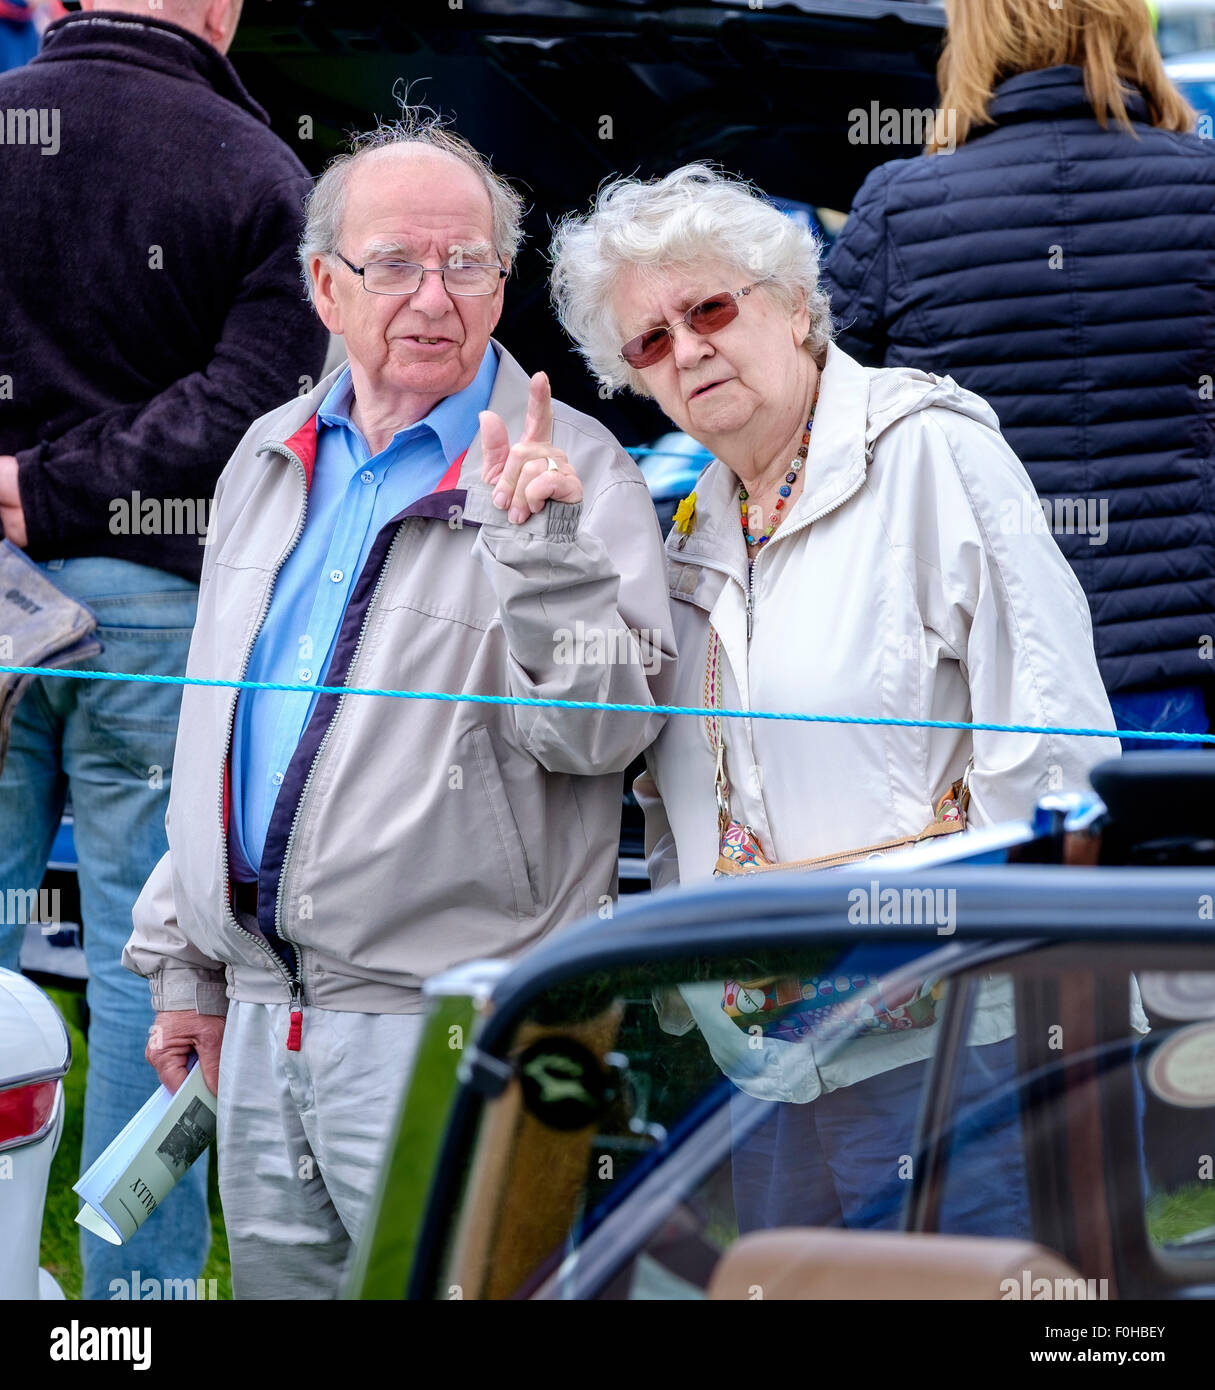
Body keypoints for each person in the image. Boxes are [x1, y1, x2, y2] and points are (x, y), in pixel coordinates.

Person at [122, 115, 675, 1299]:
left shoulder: (577, 470)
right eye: (396, 263)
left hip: (453, 1030)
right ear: (325, 286)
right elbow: (222, 729)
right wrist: (187, 964)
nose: (435, 295)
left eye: (467, 261)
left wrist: (550, 548)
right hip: (267, 1024)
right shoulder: (268, 453)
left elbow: (600, 735)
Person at [549, 161, 1121, 1234]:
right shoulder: (693, 531)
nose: (688, 348)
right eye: (651, 340)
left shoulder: (931, 454)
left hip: (944, 1047)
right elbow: (679, 793)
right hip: (763, 1065)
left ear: (797, 303)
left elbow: (1052, 755)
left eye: (710, 306)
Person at [0, 0, 328, 1298]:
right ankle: (140, 1306)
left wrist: (22, 486)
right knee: (163, 966)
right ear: (220, 6)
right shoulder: (259, 172)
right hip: (160, 611)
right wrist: (62, 488)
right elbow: (248, 410)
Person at [820, 0, 1215, 750]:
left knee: (1000, 867)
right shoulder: (1205, 188)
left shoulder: (898, 208)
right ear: (1129, 30)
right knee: (1168, 864)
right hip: (1176, 663)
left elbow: (823, 423)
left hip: (986, 660)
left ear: (969, 41)